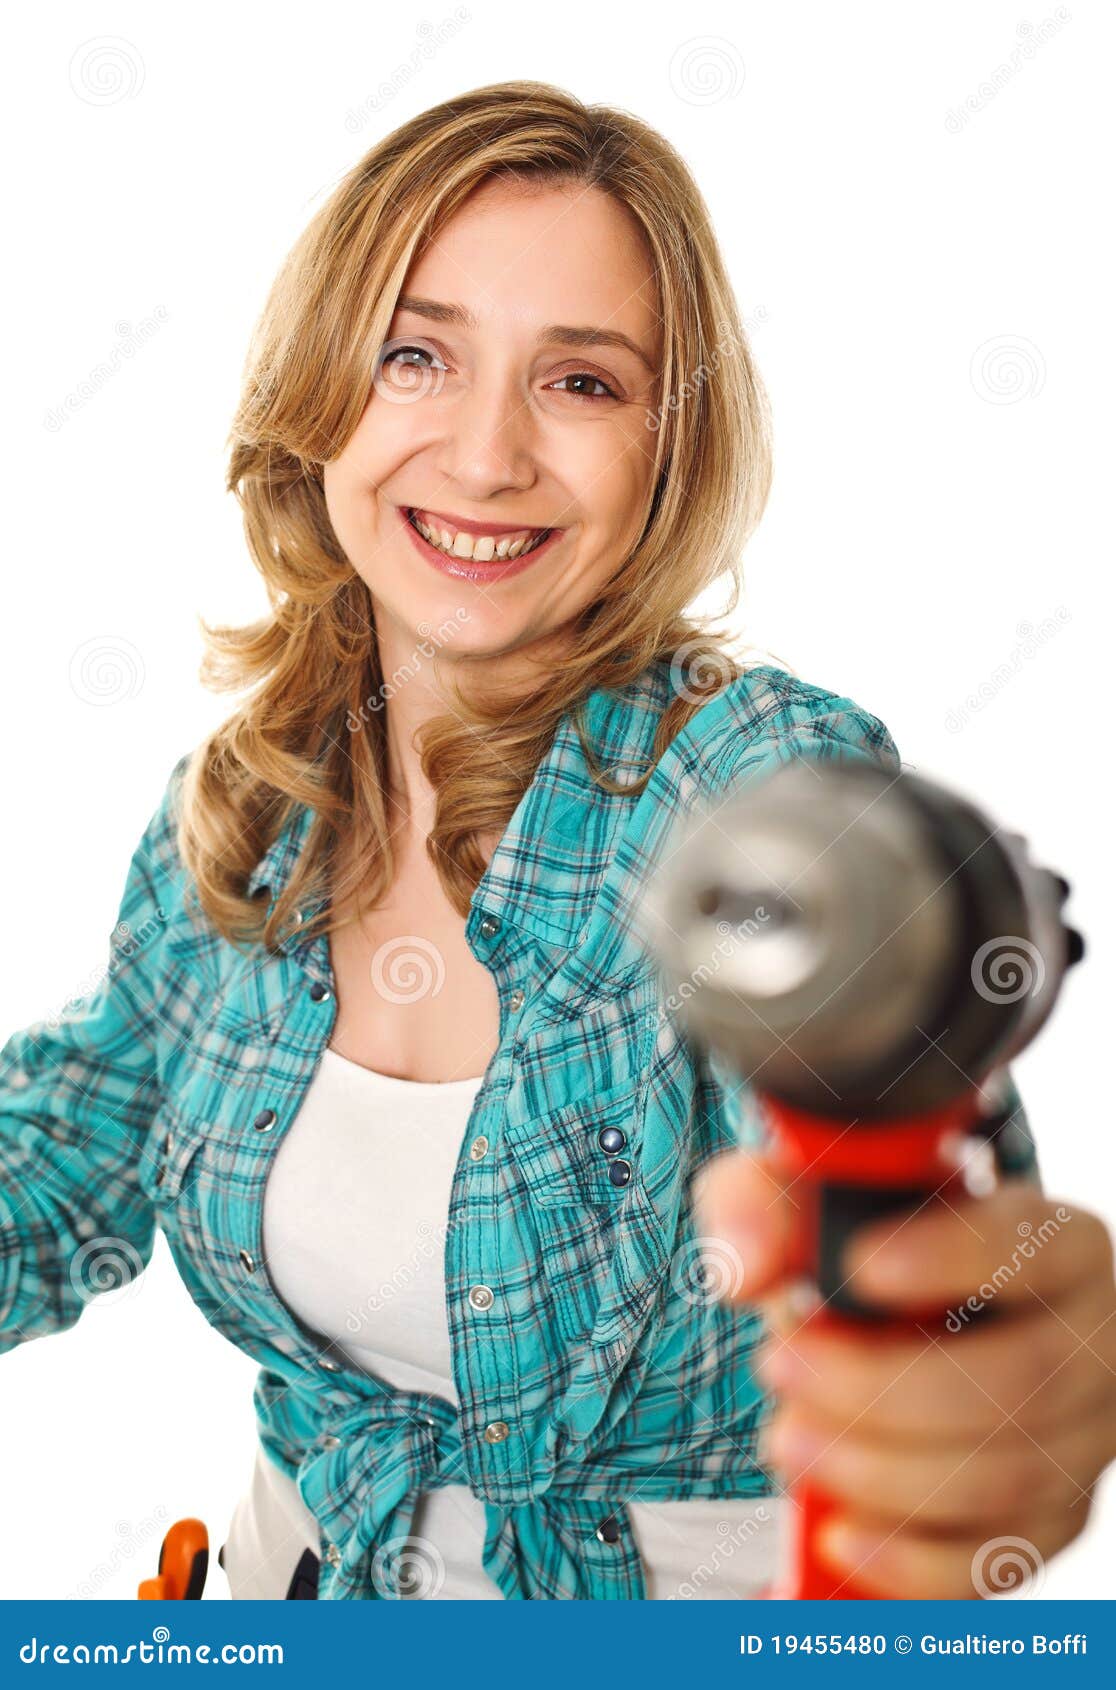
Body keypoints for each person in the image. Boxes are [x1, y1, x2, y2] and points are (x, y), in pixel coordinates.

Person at [2, 80, 1112, 1602]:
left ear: (668, 443)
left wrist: (987, 1403)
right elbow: (74, 1148)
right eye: (416, 357)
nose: (483, 455)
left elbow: (945, 1272)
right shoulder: (251, 807)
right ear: (324, 391)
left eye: (582, 383)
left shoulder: (759, 792)